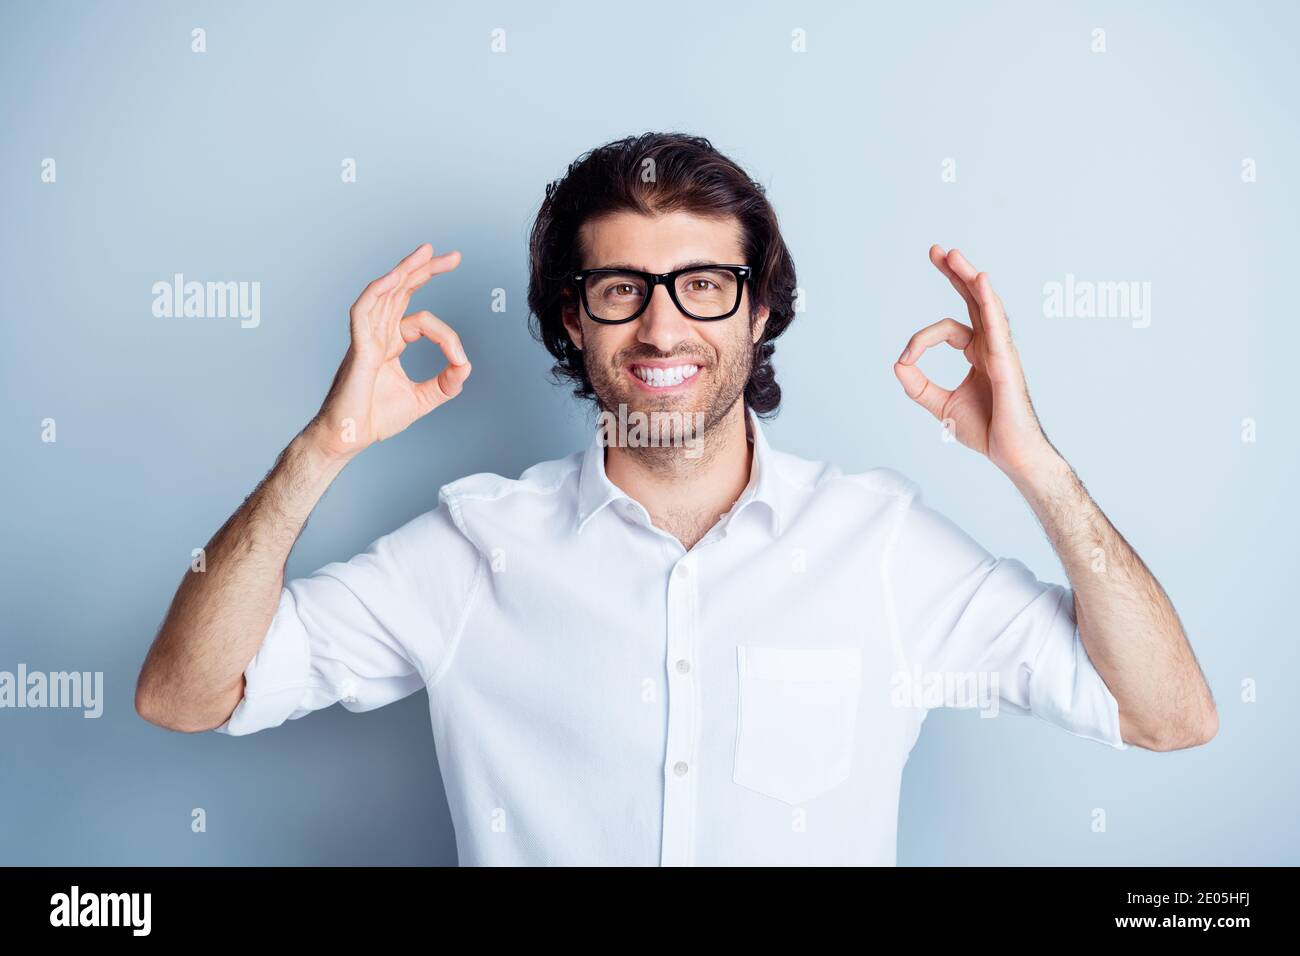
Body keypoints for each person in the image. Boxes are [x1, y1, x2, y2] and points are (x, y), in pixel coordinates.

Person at [135, 132, 1216, 866]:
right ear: (571, 319)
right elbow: (186, 692)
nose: (661, 330)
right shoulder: (473, 549)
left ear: (758, 312)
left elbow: (1167, 714)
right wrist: (321, 448)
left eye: (703, 284)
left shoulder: (882, 547)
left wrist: (1035, 465)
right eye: (620, 290)